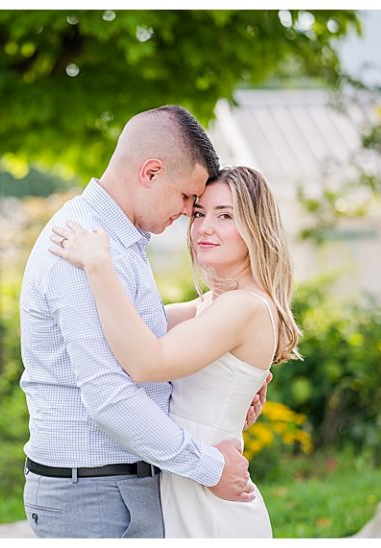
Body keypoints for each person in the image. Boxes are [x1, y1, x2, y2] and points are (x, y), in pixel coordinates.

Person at [18, 105, 264, 538]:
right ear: (151, 173)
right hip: (94, 495)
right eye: (189, 198)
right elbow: (110, 395)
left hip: (118, 486)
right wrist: (211, 467)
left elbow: (147, 332)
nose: (191, 213)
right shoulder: (81, 247)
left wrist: (228, 385)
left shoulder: (121, 243)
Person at [49, 165, 301, 537]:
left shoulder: (244, 306)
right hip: (190, 481)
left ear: (256, 227)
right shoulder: (211, 305)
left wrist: (99, 265)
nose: (205, 228)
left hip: (211, 500)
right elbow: (131, 329)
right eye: (199, 214)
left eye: (225, 216)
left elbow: (146, 361)